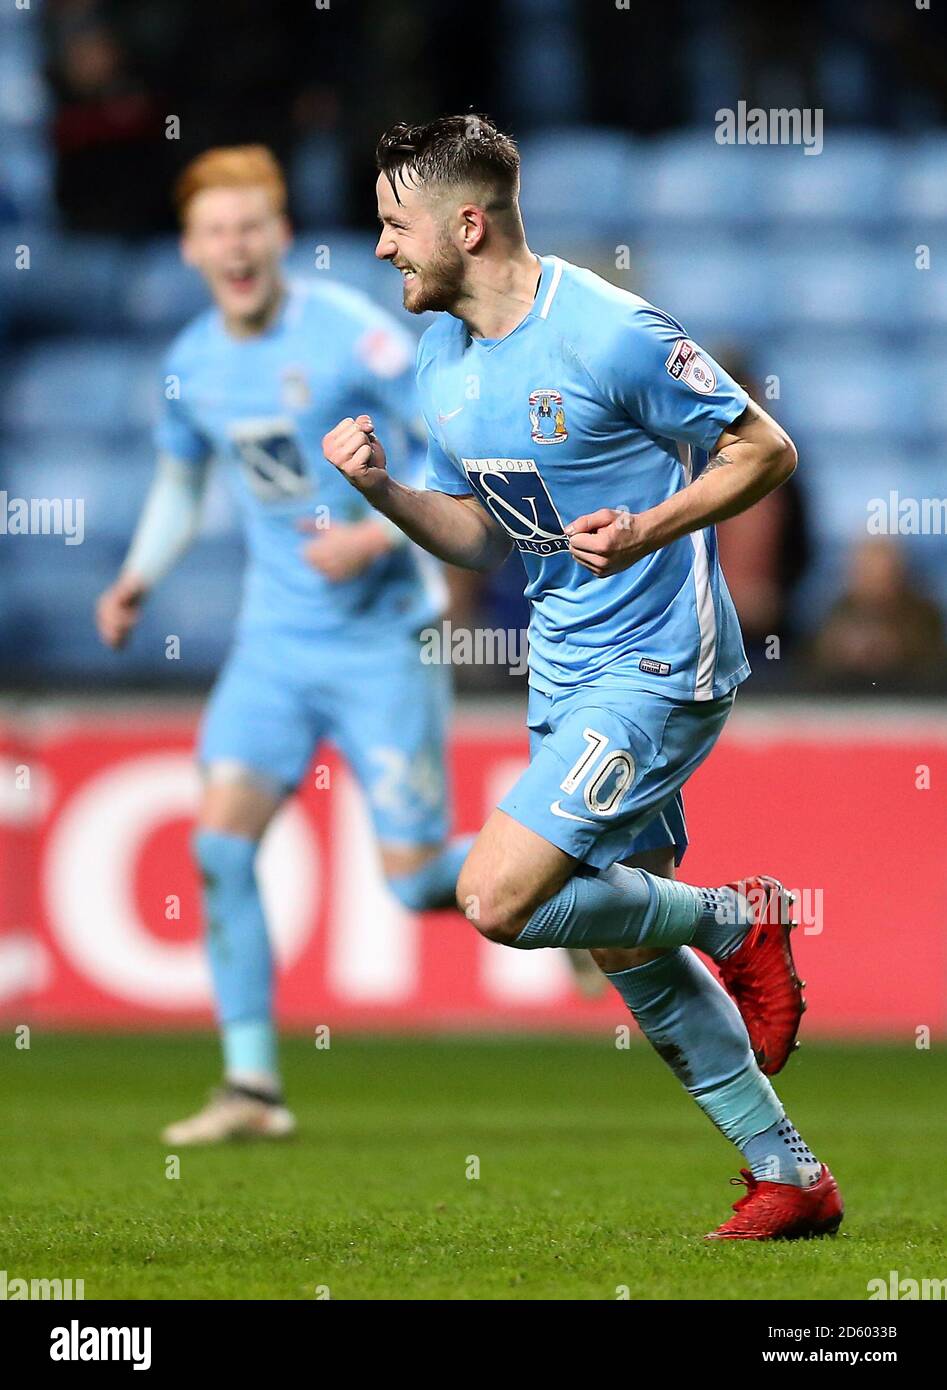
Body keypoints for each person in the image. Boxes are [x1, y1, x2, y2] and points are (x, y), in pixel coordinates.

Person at [323, 115, 844, 1240]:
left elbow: (763, 448)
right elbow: (481, 534)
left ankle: (740, 920)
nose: (379, 251)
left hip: (658, 662)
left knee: (494, 897)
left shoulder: (607, 332)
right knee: (620, 939)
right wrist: (381, 493)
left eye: (392, 226)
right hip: (562, 672)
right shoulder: (438, 359)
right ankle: (790, 1177)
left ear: (467, 223)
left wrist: (650, 524)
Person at [96, 145, 473, 1144]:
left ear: (280, 238)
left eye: (251, 227)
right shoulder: (192, 364)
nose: (235, 246)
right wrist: (138, 576)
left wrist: (377, 524)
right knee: (217, 845)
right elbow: (182, 484)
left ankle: (554, 870)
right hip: (272, 641)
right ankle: (253, 1087)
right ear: (191, 247)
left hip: (381, 638)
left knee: (416, 882)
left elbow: (447, 441)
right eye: (216, 230)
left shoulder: (353, 334)